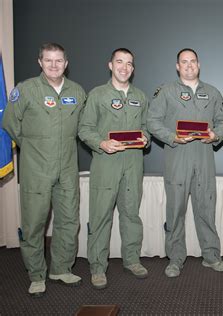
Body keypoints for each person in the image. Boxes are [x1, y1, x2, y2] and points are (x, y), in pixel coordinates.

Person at [3, 43, 86, 296]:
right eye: (48, 60)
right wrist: (33, 148)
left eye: (58, 60)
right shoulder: (26, 90)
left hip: (68, 169)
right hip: (36, 170)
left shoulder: (78, 91)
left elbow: (83, 127)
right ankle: (37, 274)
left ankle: (61, 268)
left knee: (69, 221)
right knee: (34, 224)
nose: (53, 65)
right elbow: (9, 123)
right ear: (40, 62)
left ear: (66, 63)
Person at [147, 48, 223, 278]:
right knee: (175, 211)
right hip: (178, 157)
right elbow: (152, 122)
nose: (189, 65)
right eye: (184, 62)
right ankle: (175, 259)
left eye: (193, 61)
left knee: (206, 208)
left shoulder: (212, 92)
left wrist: (217, 135)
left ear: (199, 65)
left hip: (204, 157)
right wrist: (171, 137)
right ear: (177, 66)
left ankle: (211, 256)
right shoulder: (166, 92)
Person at [78, 48, 150, 289]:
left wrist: (146, 139)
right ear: (110, 65)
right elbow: (84, 129)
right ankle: (97, 267)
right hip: (105, 164)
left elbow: (145, 128)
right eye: (120, 62)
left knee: (131, 215)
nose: (124, 67)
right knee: (100, 217)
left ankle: (132, 260)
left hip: (133, 164)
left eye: (129, 63)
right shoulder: (97, 95)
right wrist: (101, 143)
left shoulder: (140, 96)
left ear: (133, 68)